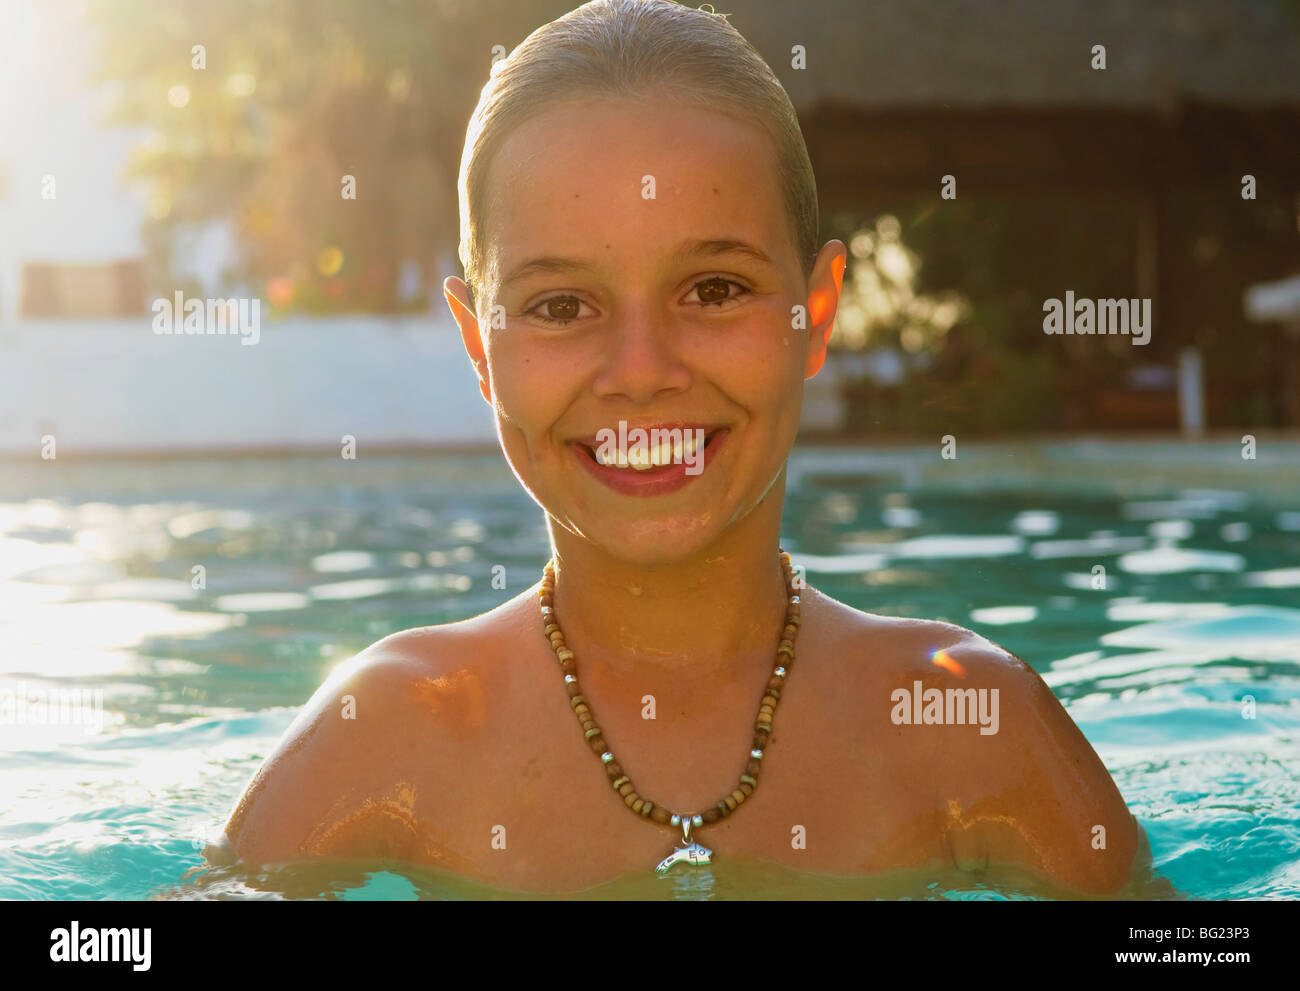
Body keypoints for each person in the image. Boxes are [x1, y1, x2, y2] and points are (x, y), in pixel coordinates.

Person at [218, 0, 1142, 895]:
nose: (642, 369)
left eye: (712, 288)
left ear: (815, 313)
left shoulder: (969, 726)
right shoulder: (385, 736)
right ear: (478, 346)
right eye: (560, 306)